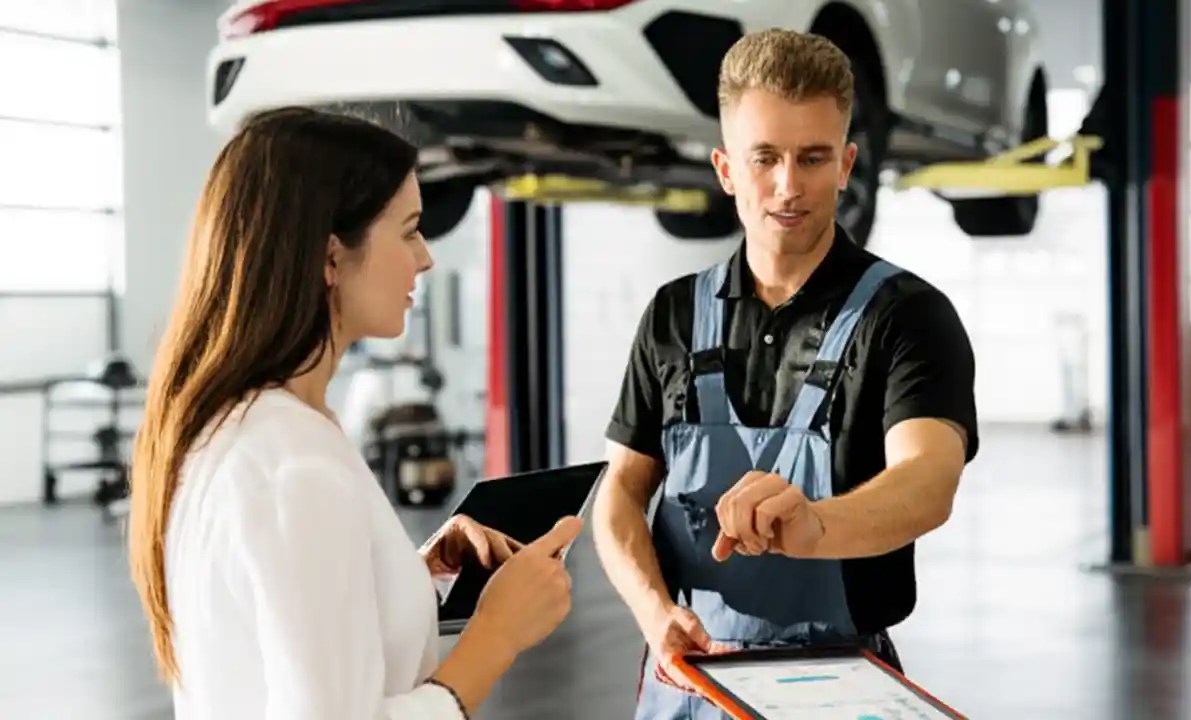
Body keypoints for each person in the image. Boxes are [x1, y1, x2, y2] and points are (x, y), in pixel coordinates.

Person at [127, 107, 582, 720]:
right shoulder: (297, 466)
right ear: (330, 257)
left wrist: (411, 574)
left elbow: (292, 628)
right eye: (409, 230)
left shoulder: (237, 427)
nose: (426, 259)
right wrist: (497, 634)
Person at [590, 29, 979, 719]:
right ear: (725, 167)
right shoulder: (672, 315)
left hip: (837, 685)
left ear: (847, 164)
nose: (788, 186)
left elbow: (929, 481)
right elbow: (620, 490)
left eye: (813, 158)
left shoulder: (908, 317)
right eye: (764, 157)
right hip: (688, 675)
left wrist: (818, 526)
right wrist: (654, 615)